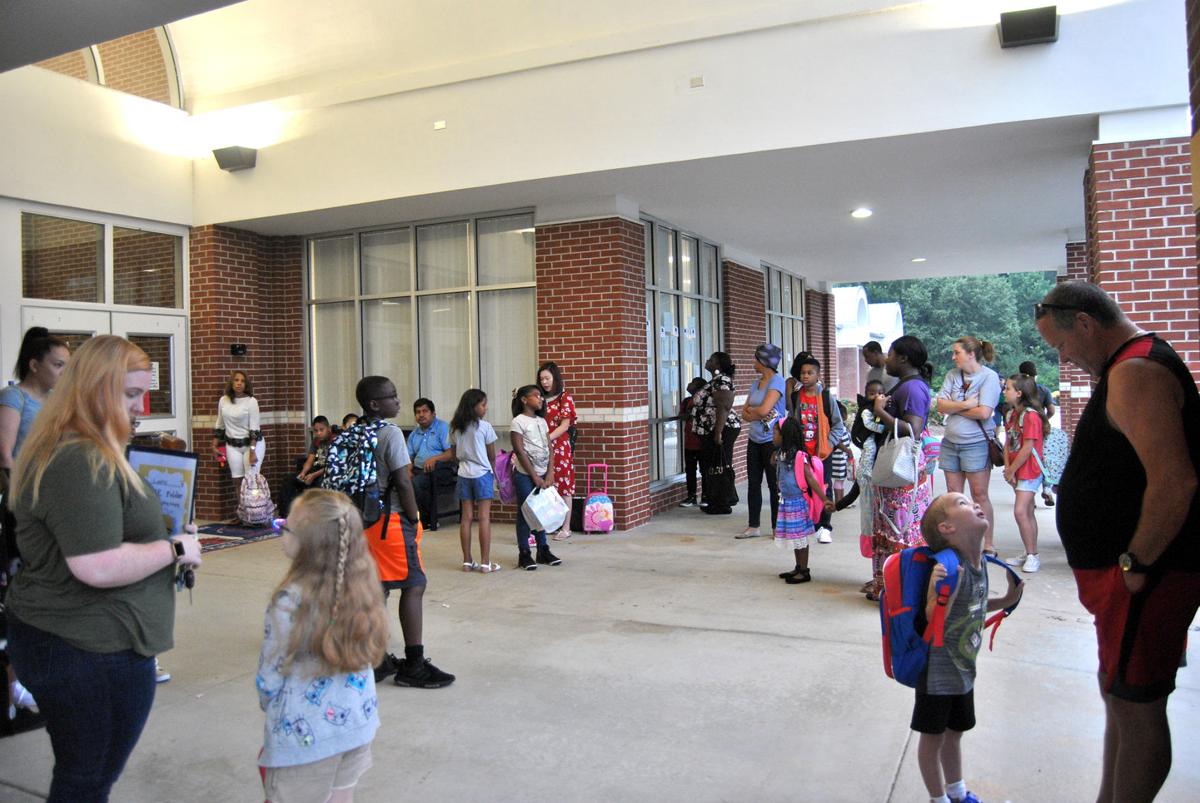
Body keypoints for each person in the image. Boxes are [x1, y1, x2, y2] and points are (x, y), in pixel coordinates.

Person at [5, 335, 203, 802]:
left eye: (143, 395)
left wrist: (164, 530)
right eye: (130, 395)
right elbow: (94, 564)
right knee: (86, 778)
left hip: (84, 641)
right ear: (94, 390)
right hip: (86, 648)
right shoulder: (81, 457)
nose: (141, 408)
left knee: (87, 772)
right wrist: (175, 548)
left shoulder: (88, 447)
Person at [1035, 281, 1200, 802]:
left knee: (1137, 706)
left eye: (1061, 345)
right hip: (1128, 577)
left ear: (1084, 323)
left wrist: (1135, 562)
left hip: (1145, 576)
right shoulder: (1129, 365)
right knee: (1118, 694)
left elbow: (1175, 482)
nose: (1064, 356)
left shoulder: (1137, 371)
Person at [256, 489, 387, 803]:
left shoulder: (289, 601)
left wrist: (269, 704)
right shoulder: (363, 589)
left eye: (285, 525)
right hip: (357, 726)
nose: (281, 529)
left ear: (306, 544)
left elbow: (269, 678)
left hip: (305, 740)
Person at [912, 492, 1024, 803]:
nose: (974, 503)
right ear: (947, 528)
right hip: (937, 674)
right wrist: (946, 590)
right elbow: (933, 618)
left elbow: (973, 606)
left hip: (963, 670)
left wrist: (1006, 601)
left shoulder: (980, 563)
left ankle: (957, 792)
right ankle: (939, 799)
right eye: (961, 503)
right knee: (932, 738)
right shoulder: (947, 569)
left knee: (955, 733)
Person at [354, 376, 454, 690]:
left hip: (365, 523)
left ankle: (376, 659)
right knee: (414, 584)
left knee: (378, 589)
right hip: (392, 522)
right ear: (374, 404)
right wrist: (414, 517)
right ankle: (414, 663)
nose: (398, 401)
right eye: (392, 396)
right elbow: (403, 480)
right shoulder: (391, 433)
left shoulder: (355, 431)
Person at [1, 326, 69, 723]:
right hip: (22, 508)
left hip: (52, 507)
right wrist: (22, 500)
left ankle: (45, 673)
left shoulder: (56, 404)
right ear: (34, 364)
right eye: (58, 364)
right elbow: (6, 455)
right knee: (23, 590)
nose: (64, 372)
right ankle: (16, 682)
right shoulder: (14, 398)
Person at [868, 335, 935, 601]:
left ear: (904, 358)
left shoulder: (913, 388)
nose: (887, 359)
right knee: (890, 525)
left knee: (901, 528)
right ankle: (888, 588)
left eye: (892, 354)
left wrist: (880, 410)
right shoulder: (904, 385)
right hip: (893, 468)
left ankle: (901, 591)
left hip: (903, 469)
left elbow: (914, 430)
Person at [935, 337, 1001, 555]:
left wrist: (953, 408)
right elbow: (940, 406)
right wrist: (965, 404)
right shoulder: (952, 375)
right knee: (954, 495)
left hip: (976, 444)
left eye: (957, 353)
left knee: (979, 494)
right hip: (951, 443)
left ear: (971, 354)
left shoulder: (989, 377)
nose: (954, 357)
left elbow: (984, 412)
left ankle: (987, 543)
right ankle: (958, 541)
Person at [788, 352, 849, 543]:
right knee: (804, 487)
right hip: (803, 452)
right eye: (803, 373)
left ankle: (824, 526)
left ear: (818, 375)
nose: (805, 376)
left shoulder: (825, 396)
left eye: (810, 372)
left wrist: (829, 443)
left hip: (822, 452)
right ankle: (810, 523)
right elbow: (792, 421)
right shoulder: (796, 395)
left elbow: (838, 424)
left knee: (824, 487)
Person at [775, 418, 833, 584]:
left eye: (775, 432)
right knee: (795, 537)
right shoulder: (781, 453)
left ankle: (804, 571)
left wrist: (825, 499)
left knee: (801, 537)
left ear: (784, 435)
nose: (773, 435)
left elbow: (811, 479)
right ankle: (798, 567)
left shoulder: (799, 456)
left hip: (798, 503)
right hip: (786, 501)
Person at [510, 385, 561, 570]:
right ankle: (524, 553)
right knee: (526, 513)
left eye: (541, 396)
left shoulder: (542, 421)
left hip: (542, 473)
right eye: (536, 396)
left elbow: (550, 448)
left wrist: (550, 472)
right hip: (525, 474)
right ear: (524, 399)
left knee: (541, 511)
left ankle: (543, 550)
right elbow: (520, 451)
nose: (541, 399)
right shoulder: (518, 422)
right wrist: (534, 476)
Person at [738, 343, 787, 539]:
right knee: (753, 483)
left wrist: (754, 413)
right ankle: (753, 526)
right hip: (754, 439)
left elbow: (764, 409)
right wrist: (754, 413)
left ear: (765, 361)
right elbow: (744, 411)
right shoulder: (755, 383)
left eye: (756, 358)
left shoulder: (777, 381)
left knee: (774, 485)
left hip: (771, 440)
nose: (753, 362)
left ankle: (777, 527)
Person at [449, 389, 499, 573]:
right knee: (484, 518)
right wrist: (496, 476)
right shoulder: (485, 427)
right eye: (483, 404)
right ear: (474, 406)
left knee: (466, 518)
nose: (485, 408)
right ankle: (485, 563)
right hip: (482, 474)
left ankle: (467, 561)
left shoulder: (454, 427)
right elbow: (492, 456)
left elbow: (454, 455)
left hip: (463, 474)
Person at [1001, 374, 1047, 574]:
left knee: (1020, 511)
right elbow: (1007, 443)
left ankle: (1033, 555)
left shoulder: (1031, 416)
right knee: (1026, 512)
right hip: (1017, 469)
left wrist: (1011, 469)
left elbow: (1028, 447)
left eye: (1008, 388)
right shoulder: (1011, 414)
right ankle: (1029, 551)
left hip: (1029, 470)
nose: (1004, 391)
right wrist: (1007, 466)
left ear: (1019, 393)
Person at [851, 379, 887, 593]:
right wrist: (888, 423)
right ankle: (876, 575)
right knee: (871, 523)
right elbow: (874, 427)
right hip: (868, 474)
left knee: (877, 522)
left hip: (874, 473)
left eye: (880, 393)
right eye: (872, 393)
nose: (877, 397)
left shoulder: (874, 411)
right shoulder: (867, 412)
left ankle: (878, 575)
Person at [693, 352, 740, 515]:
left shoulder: (722, 380)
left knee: (719, 466)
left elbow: (724, 406)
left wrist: (718, 433)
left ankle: (722, 503)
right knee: (712, 465)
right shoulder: (715, 380)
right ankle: (715, 500)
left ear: (718, 365)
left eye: (711, 359)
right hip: (711, 429)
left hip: (721, 428)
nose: (707, 360)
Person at [538, 362, 578, 541]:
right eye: (541, 379)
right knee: (544, 485)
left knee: (564, 485)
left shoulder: (564, 397)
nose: (545, 382)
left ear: (555, 378)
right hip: (540, 447)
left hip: (559, 446)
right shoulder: (538, 398)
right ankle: (549, 524)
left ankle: (566, 526)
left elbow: (565, 424)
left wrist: (548, 438)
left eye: (547, 378)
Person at [212, 370, 265, 490]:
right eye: (236, 380)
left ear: (246, 385)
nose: (239, 383)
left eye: (242, 381)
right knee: (237, 481)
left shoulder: (251, 402)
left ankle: (254, 508)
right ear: (231, 382)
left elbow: (254, 430)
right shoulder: (223, 400)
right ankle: (242, 508)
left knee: (251, 480)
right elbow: (220, 424)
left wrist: (252, 452)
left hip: (251, 445)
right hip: (232, 444)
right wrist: (214, 444)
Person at [407, 398, 453, 532]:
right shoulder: (414, 434)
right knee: (402, 482)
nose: (421, 415)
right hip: (418, 470)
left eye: (425, 411)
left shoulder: (443, 428)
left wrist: (435, 459)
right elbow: (408, 457)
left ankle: (427, 521)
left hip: (441, 469)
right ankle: (408, 519)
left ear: (433, 413)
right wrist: (408, 471)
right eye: (418, 412)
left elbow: (452, 452)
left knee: (418, 483)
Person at [1018, 360, 1058, 507]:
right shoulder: (1043, 390)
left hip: (1024, 429)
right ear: (1036, 375)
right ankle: (1047, 488)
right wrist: (1043, 421)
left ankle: (1029, 495)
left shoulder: (1019, 392)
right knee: (1043, 458)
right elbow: (1052, 410)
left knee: (1027, 459)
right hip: (1042, 430)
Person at [279, 416, 334, 517]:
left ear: (328, 428)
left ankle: (317, 515)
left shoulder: (335, 440)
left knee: (319, 482)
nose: (318, 433)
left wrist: (313, 475)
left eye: (321, 430)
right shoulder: (316, 441)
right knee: (288, 479)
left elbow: (332, 465)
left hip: (329, 471)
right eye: (316, 431)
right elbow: (309, 460)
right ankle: (286, 514)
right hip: (316, 468)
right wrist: (303, 473)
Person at [679, 377, 707, 507]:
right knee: (690, 470)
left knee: (704, 470)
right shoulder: (686, 401)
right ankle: (691, 496)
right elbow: (682, 416)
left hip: (702, 442)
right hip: (689, 442)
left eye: (692, 382)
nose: (689, 384)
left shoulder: (705, 400)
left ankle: (706, 496)